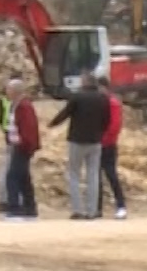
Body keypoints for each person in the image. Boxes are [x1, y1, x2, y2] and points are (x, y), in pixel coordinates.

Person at [49, 71, 111, 220]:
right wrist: (100, 133)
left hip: (77, 140)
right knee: (93, 175)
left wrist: (52, 123)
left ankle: (78, 209)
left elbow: (66, 113)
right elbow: (106, 119)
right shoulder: (103, 98)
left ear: (84, 83)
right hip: (95, 141)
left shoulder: (77, 96)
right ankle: (92, 210)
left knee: (74, 174)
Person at [3, 78, 40, 220]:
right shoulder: (16, 105)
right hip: (17, 144)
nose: (6, 92)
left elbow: (28, 127)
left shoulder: (24, 106)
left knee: (12, 176)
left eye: (8, 89)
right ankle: (30, 207)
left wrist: (25, 143)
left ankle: (14, 208)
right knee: (24, 177)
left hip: (22, 146)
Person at [98, 88, 128, 220]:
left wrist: (104, 140)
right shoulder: (100, 102)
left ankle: (121, 205)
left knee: (111, 175)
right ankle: (96, 207)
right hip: (97, 143)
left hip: (107, 144)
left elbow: (115, 126)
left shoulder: (112, 103)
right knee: (95, 176)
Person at [0, 88, 13, 213]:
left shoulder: (3, 101)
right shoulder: (19, 102)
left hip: (8, 133)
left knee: (6, 168)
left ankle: (4, 200)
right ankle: (7, 200)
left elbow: (0, 118)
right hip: (13, 135)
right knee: (10, 170)